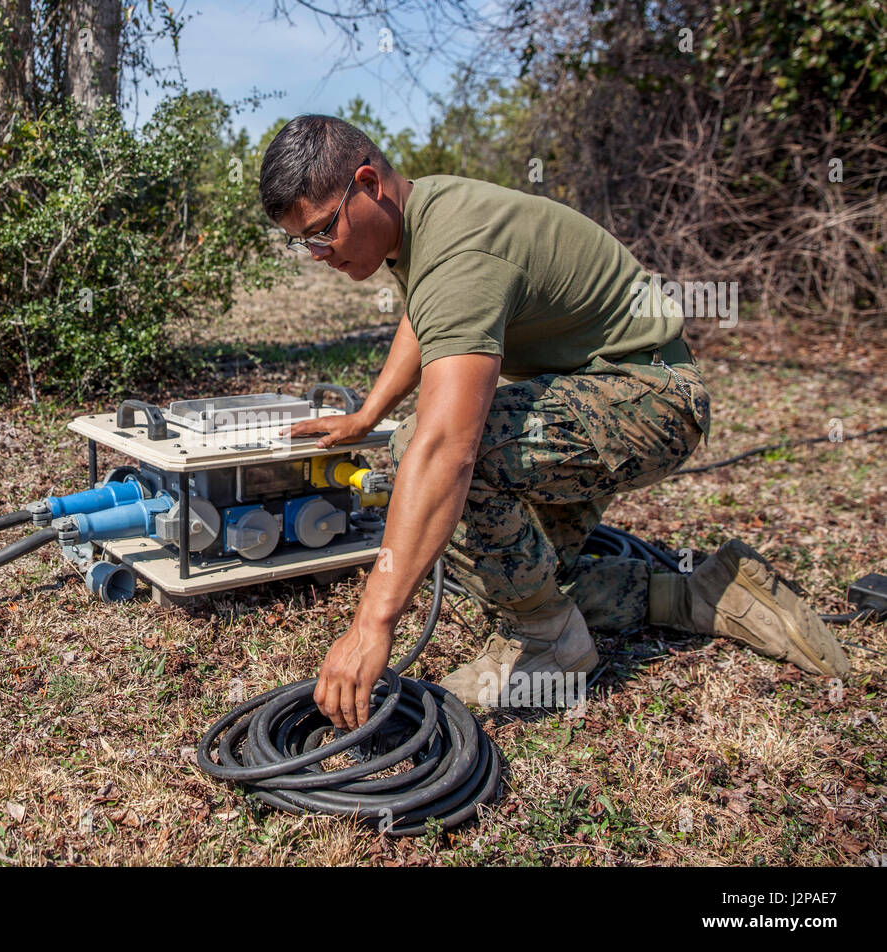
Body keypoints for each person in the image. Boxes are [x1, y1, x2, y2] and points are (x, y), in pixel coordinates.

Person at [258, 115, 850, 730]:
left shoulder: (460, 246)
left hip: (652, 399)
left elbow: (445, 452)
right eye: (305, 242)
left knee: (430, 455)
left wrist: (371, 622)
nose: (320, 254)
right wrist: (367, 413)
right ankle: (704, 593)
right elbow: (425, 315)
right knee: (524, 568)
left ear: (368, 182)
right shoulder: (423, 215)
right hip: (611, 389)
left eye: (324, 230)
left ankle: (550, 645)